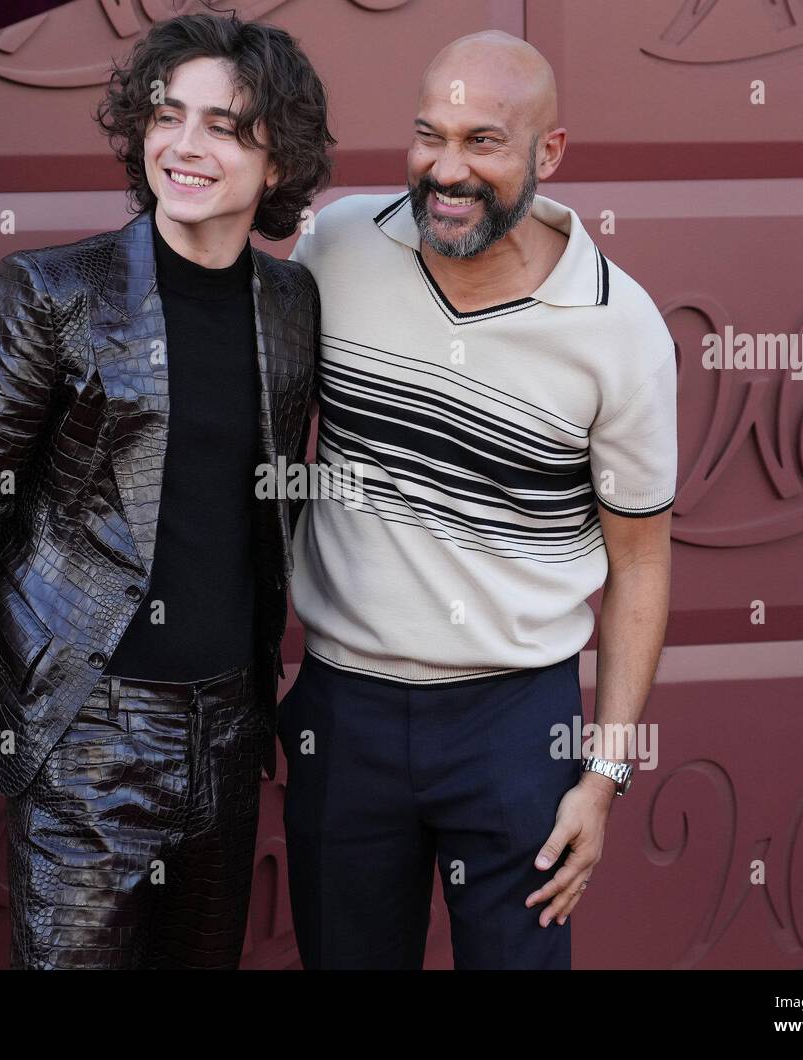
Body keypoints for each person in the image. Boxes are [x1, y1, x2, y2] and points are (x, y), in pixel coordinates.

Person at [0, 11, 331, 969]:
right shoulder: (49, 292)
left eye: (226, 126)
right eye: (168, 116)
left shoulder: (290, 305)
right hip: (88, 731)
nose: (185, 146)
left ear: (276, 164)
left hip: (232, 728)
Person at [281, 30, 677, 969]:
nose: (445, 170)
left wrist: (606, 774)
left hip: (515, 727)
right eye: (429, 135)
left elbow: (642, 565)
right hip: (342, 710)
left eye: (483, 141)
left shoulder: (620, 329)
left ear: (550, 154)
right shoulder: (336, 243)